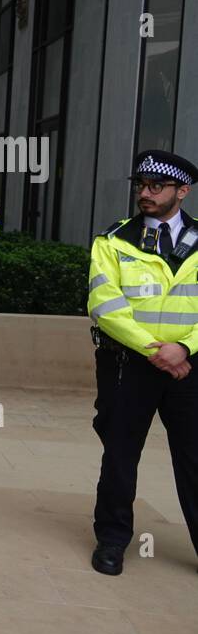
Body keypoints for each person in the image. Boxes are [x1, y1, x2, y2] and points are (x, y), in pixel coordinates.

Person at [86, 149, 198, 576]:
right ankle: (112, 541)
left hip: (188, 367)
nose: (145, 194)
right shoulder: (114, 240)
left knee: (194, 457)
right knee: (119, 456)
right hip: (129, 364)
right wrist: (157, 350)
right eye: (141, 186)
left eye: (156, 186)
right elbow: (105, 305)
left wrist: (184, 348)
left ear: (181, 191)